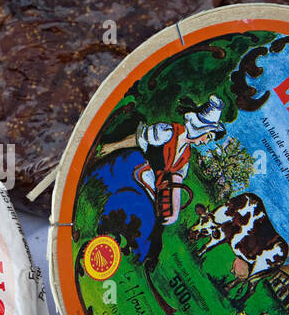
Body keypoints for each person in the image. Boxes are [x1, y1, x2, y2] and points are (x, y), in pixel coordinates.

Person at [96, 95, 226, 227]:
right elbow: (138, 139)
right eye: (208, 136)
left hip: (152, 182)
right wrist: (112, 147)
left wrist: (174, 214)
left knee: (145, 217)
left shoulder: (186, 155)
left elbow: (177, 183)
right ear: (200, 129)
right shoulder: (168, 132)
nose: (206, 142)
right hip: (132, 167)